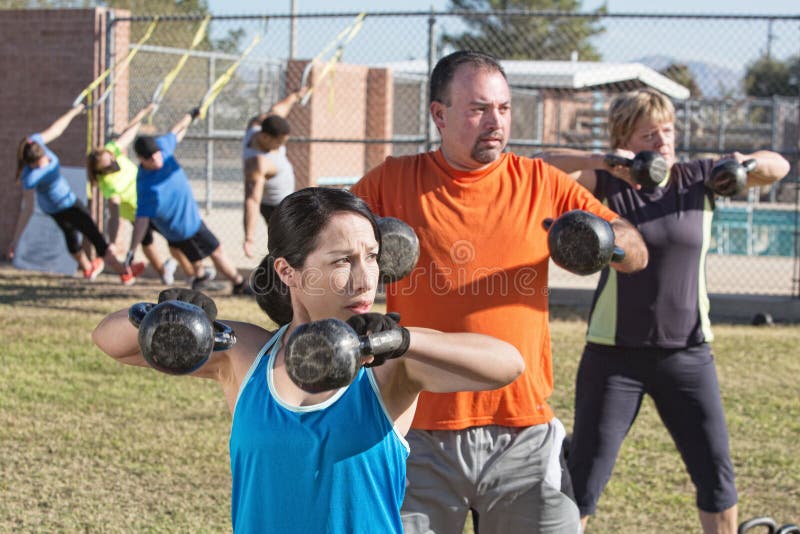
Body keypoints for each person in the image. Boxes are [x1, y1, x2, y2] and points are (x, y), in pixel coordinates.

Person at [92, 186, 525, 533]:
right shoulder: (246, 356)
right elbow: (111, 341)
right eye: (342, 261)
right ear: (287, 272)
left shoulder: (390, 364)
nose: (364, 279)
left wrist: (405, 340)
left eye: (372, 257)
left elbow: (507, 364)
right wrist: (159, 316)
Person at [350, 50, 649, 533]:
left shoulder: (541, 183)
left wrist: (605, 242)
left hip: (522, 434)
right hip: (416, 430)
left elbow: (637, 251)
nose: (495, 121)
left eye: (504, 109)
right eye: (478, 109)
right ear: (438, 115)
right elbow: (327, 231)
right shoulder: (393, 180)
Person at [537, 88, 790, 534]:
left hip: (689, 354)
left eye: (668, 131)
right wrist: (603, 160)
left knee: (715, 474)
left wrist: (745, 166)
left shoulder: (700, 178)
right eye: (649, 134)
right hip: (614, 357)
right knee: (586, 476)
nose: (662, 141)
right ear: (625, 139)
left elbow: (779, 166)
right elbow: (539, 168)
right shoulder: (607, 185)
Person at [9, 103, 144, 285]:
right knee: (82, 236)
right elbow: (28, 209)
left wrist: (74, 111)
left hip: (69, 200)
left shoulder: (34, 143)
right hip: (57, 208)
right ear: (31, 164)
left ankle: (89, 268)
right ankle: (123, 272)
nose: (47, 162)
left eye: (46, 158)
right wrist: (15, 242)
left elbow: (56, 130)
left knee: (85, 233)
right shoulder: (30, 177)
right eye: (42, 163)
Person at [127, 108, 251, 295]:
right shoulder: (146, 185)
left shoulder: (163, 147)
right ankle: (239, 283)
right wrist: (132, 250)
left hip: (186, 223)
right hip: (183, 229)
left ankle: (200, 279)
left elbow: (176, 132)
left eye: (158, 154)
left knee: (198, 260)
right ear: (141, 160)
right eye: (151, 158)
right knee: (217, 251)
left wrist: (191, 115)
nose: (157, 158)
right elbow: (142, 220)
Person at [87, 102, 183, 285]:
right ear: (103, 168)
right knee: (147, 243)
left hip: (153, 200)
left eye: (111, 156)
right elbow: (114, 215)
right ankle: (164, 273)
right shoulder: (107, 184)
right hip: (138, 213)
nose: (113, 159)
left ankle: (183, 265)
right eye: (109, 161)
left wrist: (144, 112)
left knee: (174, 237)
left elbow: (127, 134)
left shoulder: (111, 150)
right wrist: (113, 242)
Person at [242, 86, 309, 259]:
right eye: (278, 143)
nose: (280, 147)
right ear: (265, 137)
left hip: (288, 199)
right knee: (291, 250)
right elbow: (252, 200)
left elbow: (276, 111)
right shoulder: (258, 163)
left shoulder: (255, 127)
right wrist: (249, 237)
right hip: (277, 208)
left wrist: (295, 96)